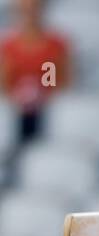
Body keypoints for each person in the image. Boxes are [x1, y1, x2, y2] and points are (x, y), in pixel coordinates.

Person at [0, 0, 70, 144]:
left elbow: (64, 81)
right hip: (16, 110)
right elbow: (4, 84)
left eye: (34, 9)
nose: (29, 15)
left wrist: (42, 96)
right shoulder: (8, 46)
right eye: (25, 10)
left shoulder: (56, 44)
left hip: (47, 107)